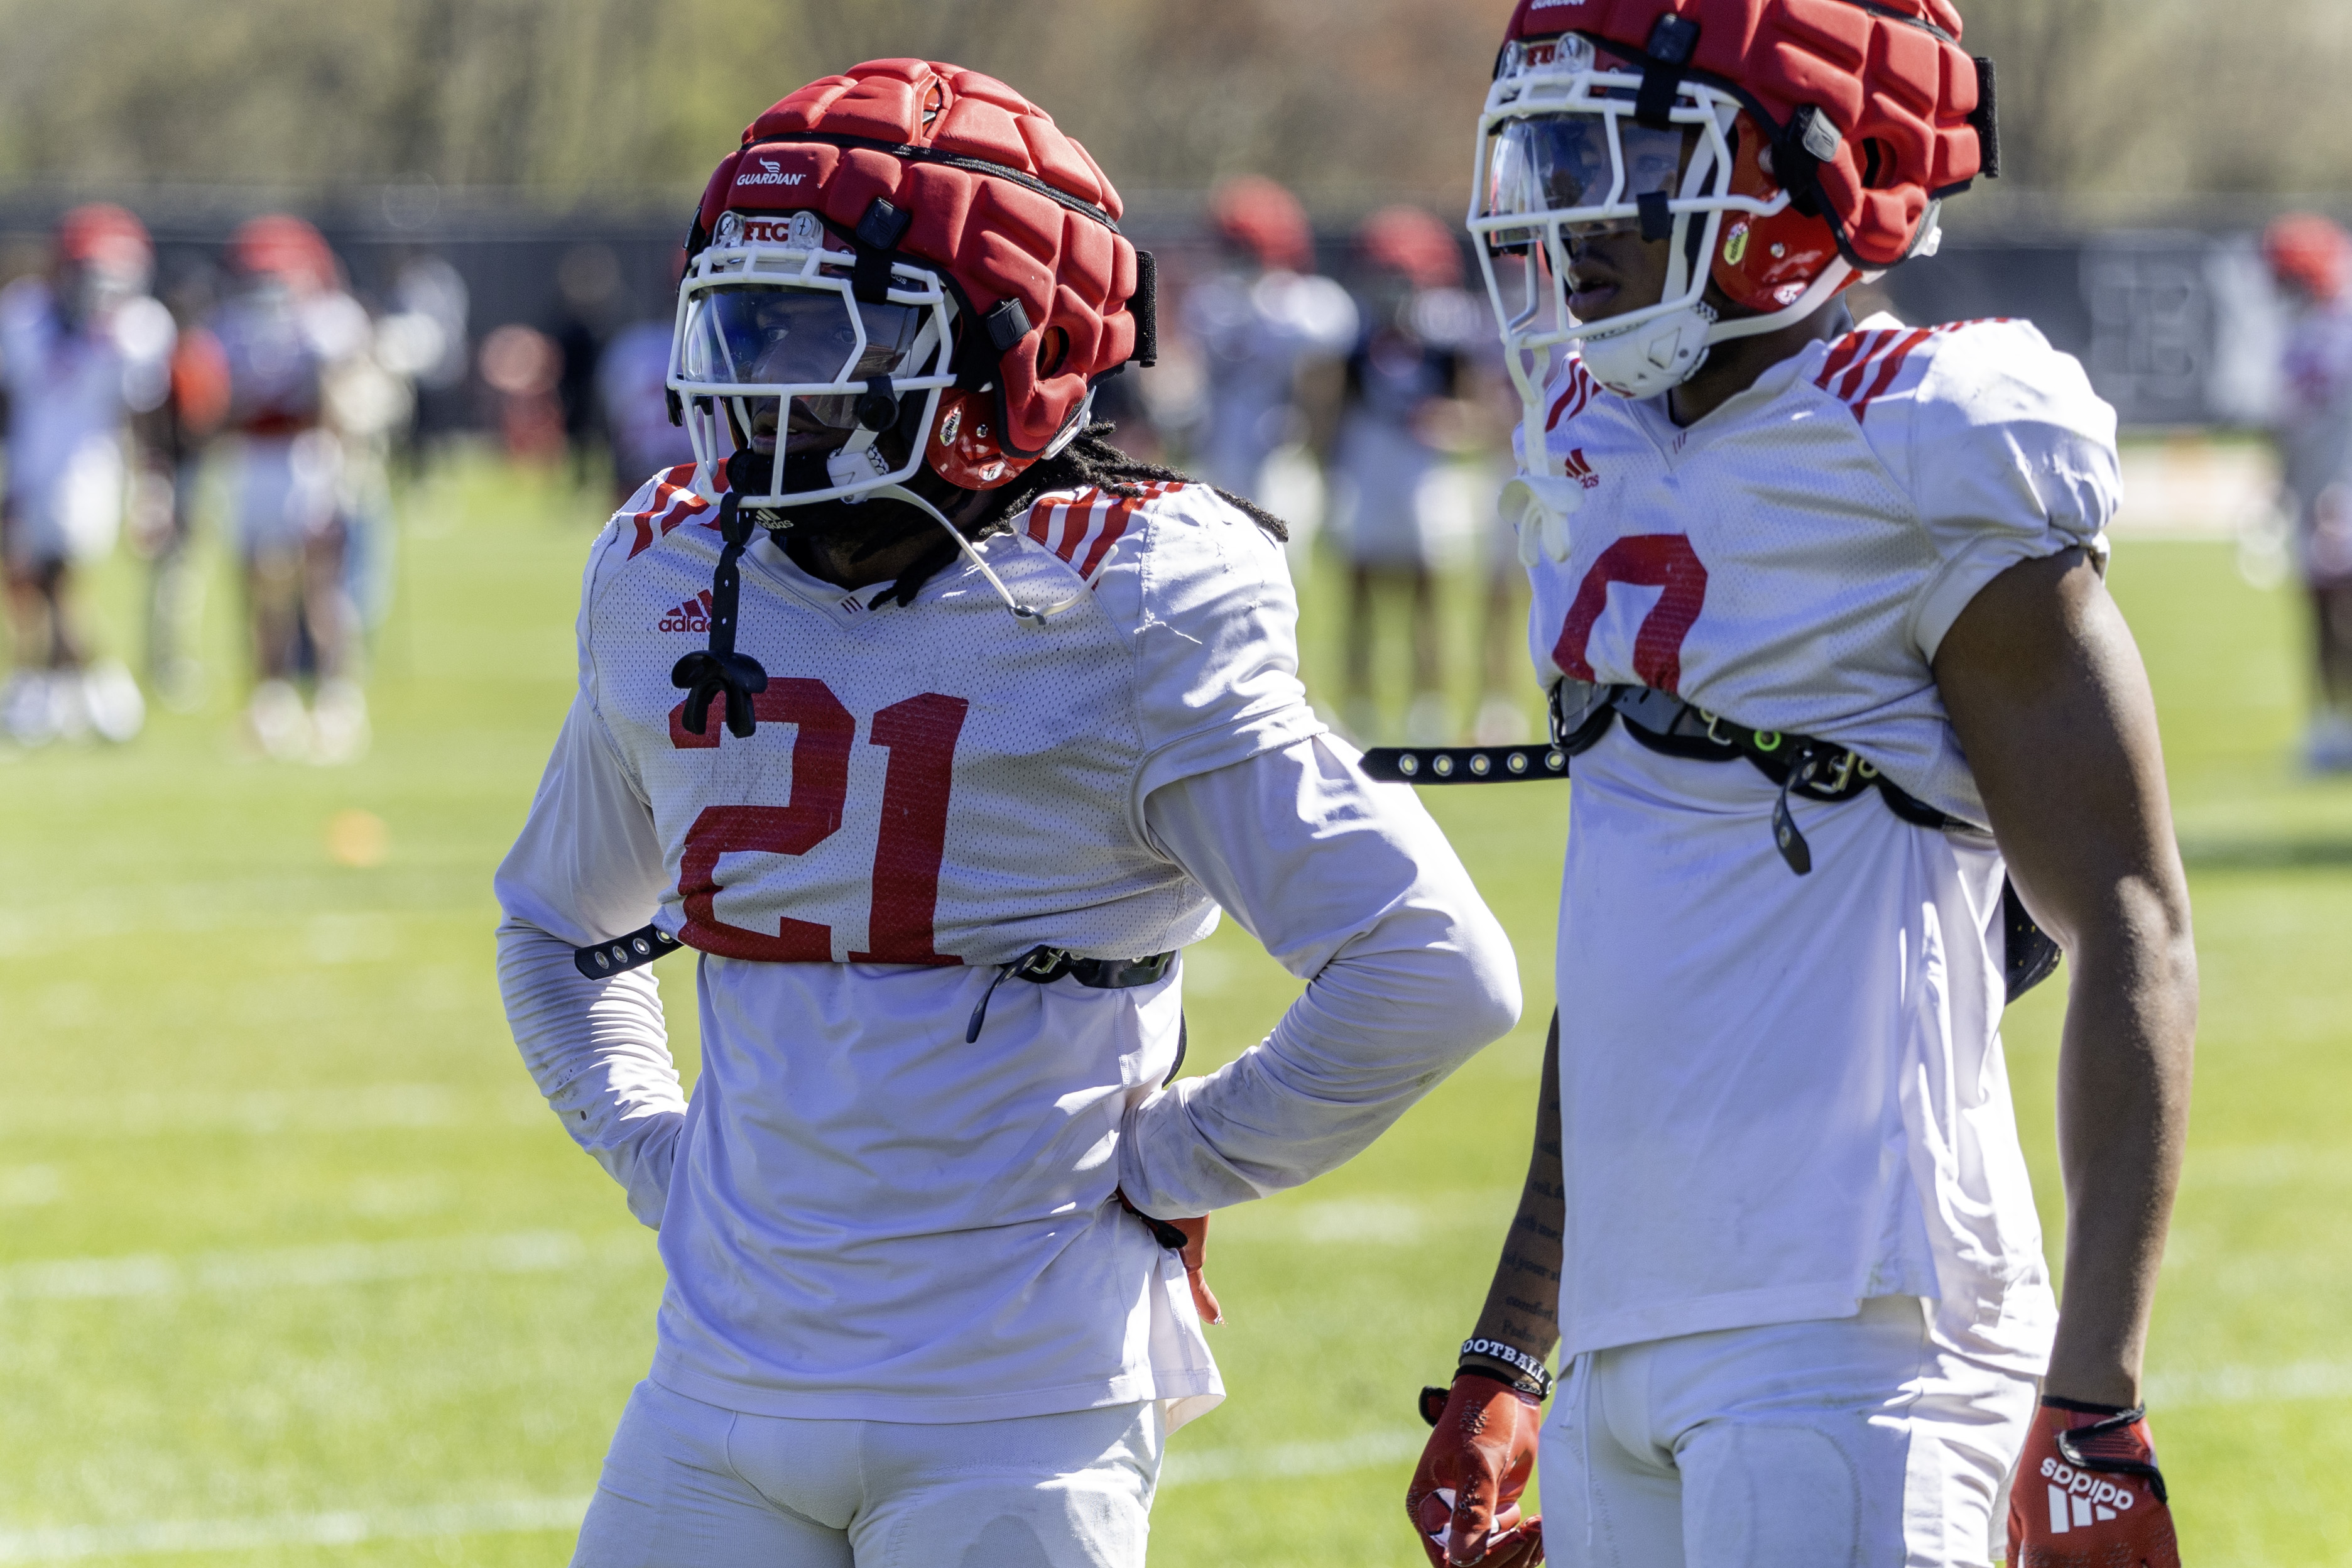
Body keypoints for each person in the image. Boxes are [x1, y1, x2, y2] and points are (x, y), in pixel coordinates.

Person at [492, 58, 1521, 1567]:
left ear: (1007, 349)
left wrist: (1170, 1164)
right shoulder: (667, 569)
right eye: (742, 321)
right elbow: (552, 922)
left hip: (1015, 1410)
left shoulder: (1132, 596)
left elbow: (1430, 970)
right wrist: (656, 1150)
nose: (756, 378)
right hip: (712, 1383)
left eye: (816, 329)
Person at [1403, 5, 2196, 1567]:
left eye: (1620, 158)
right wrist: (1512, 1342)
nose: (1569, 209)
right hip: (1632, 1327)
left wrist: (2093, 1399)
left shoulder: (1924, 438)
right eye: (1550, 153)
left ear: (1804, 172)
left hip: (1856, 1330)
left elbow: (2123, 920)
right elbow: (1636, 934)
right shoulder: (1593, 438)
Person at [0, 203, 174, 746]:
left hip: (89, 470)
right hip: (31, 465)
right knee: (31, 583)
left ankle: (93, 689)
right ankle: (69, 693)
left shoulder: (139, 331)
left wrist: (153, 482)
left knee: (59, 578)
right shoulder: (24, 316)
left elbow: (145, 413)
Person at [212, 214, 373, 763]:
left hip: (309, 460)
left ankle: (337, 700)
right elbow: (222, 406)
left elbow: (347, 394)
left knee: (321, 587)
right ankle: (272, 698)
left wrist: (345, 458)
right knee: (261, 586)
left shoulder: (327, 323)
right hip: (255, 459)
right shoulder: (230, 327)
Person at [1332, 205, 1496, 744]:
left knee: (1428, 601)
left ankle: (1428, 711)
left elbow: (1478, 415)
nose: (1390, 290)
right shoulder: (1353, 343)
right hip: (1369, 473)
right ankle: (1360, 708)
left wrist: (1449, 422)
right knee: (1360, 595)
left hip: (1425, 480)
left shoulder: (1445, 343)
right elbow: (1332, 410)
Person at [1181, 176, 1358, 523]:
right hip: (1219, 440)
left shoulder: (1298, 301)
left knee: (1278, 552)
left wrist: (1273, 300)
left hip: (1280, 447)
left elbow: (1339, 331)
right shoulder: (1210, 300)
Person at [2261, 213, 2352, 770]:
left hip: (2339, 497)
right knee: (2319, 617)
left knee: (2339, 616)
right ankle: (2328, 723)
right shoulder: (2299, 338)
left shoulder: (2339, 336)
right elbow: (2291, 431)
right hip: (2314, 499)